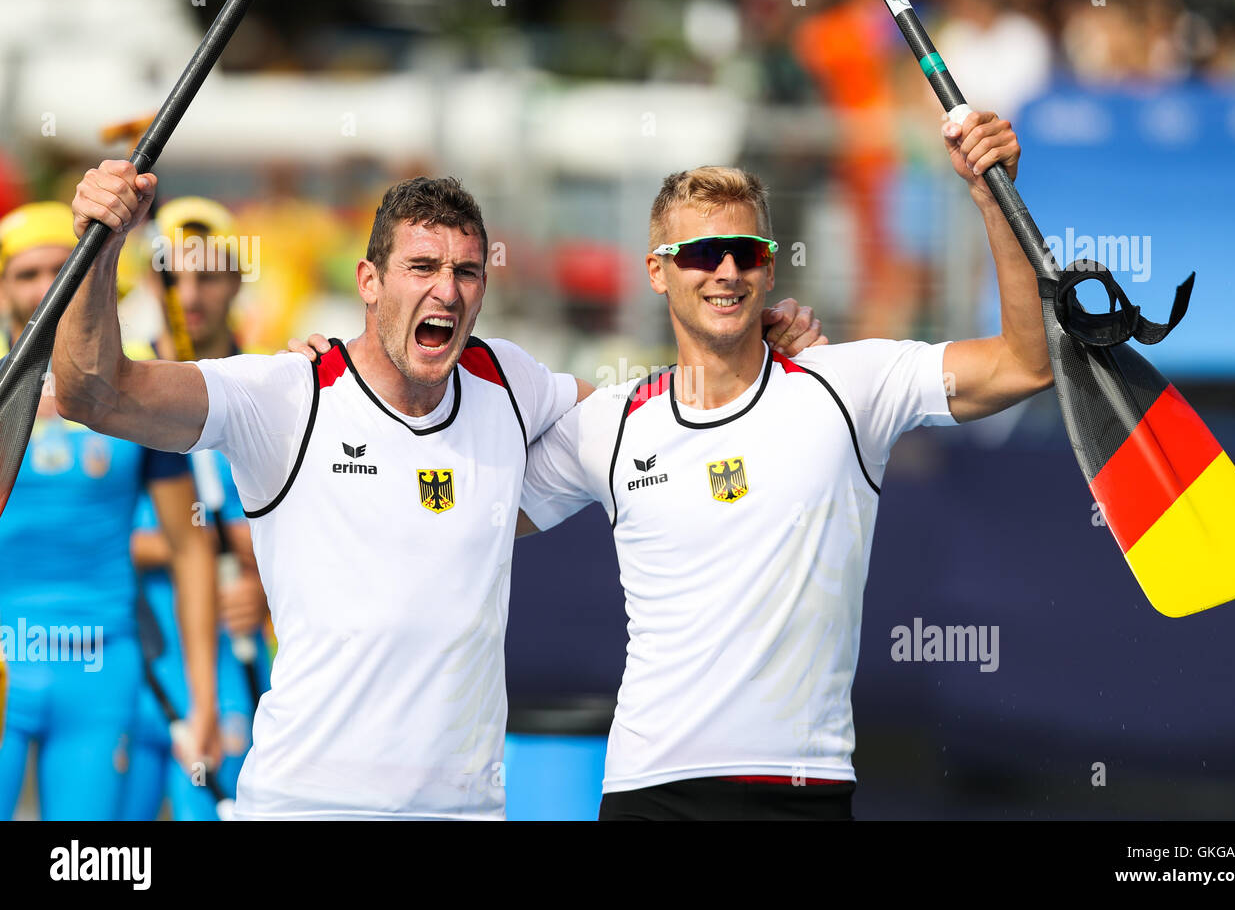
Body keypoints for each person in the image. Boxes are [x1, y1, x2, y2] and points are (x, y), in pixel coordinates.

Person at [54, 166, 823, 819]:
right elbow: (94, 391)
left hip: (464, 807)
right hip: (305, 804)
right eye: (421, 268)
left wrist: (754, 354)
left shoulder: (506, 379)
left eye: (466, 271)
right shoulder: (286, 393)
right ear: (368, 281)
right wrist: (100, 243)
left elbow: (657, 422)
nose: (446, 292)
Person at [515, 111, 1052, 820]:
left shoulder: (848, 384)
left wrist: (991, 199)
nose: (727, 270)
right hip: (649, 793)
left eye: (746, 252)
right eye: (702, 253)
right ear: (657, 270)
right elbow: (471, 511)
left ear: (770, 266)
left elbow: (1024, 364)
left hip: (803, 790)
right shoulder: (609, 425)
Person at [0, 201, 218, 820]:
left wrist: (200, 697)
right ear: (3, 289)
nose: (46, 286)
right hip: (4, 663)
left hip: (100, 670)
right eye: (27, 274)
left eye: (59, 269)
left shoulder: (129, 404)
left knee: (86, 862)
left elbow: (189, 545)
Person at [121, 196, 272, 821]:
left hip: (233, 658)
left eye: (207, 274)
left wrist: (261, 579)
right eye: (172, 275)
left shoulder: (275, 385)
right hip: (134, 649)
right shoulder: (118, 385)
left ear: (236, 279)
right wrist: (192, 547)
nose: (189, 295)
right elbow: (93, 533)